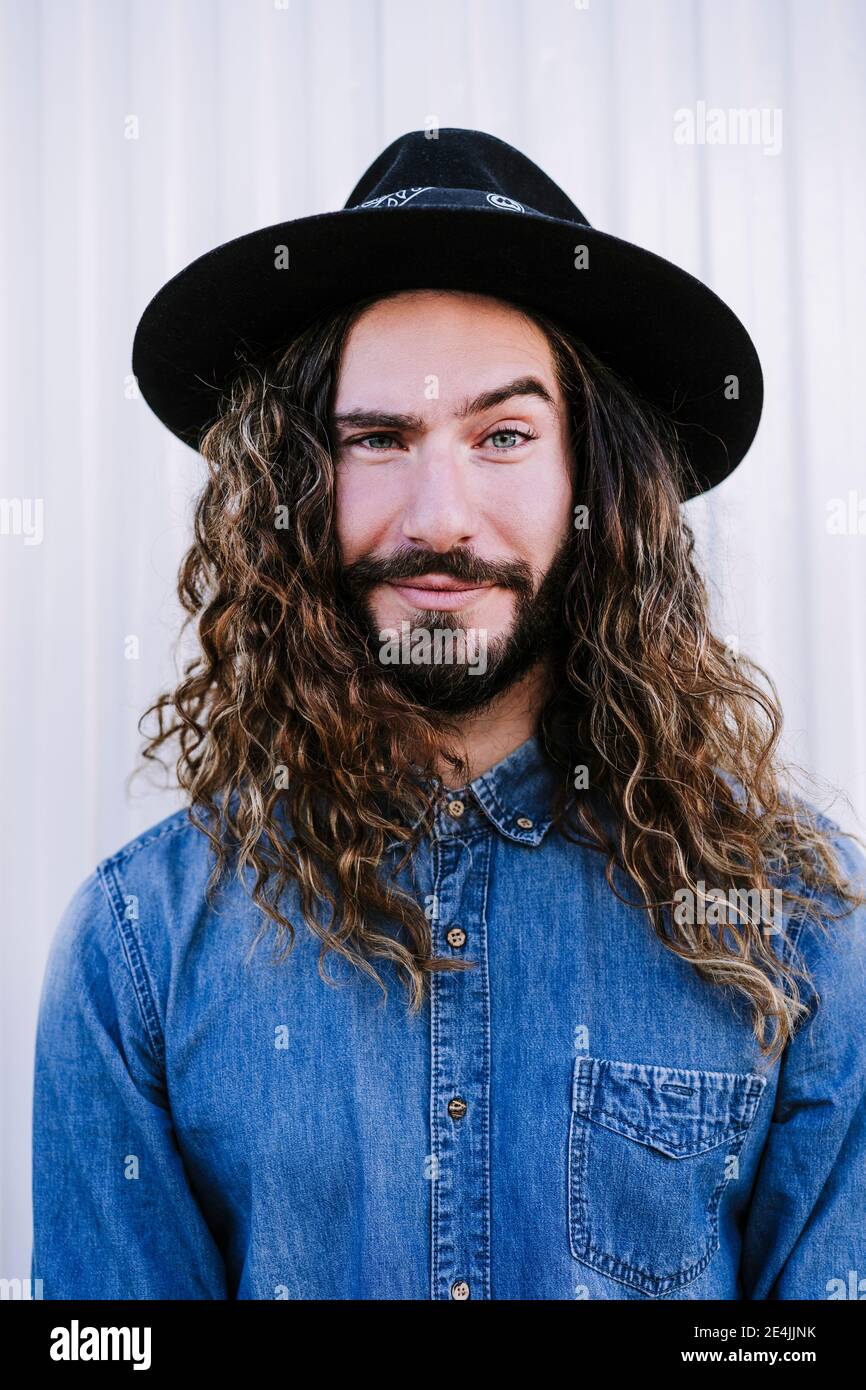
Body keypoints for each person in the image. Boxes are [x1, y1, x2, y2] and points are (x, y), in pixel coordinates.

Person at [32, 129, 866, 1300]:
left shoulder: (802, 928)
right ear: (296, 491)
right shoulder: (138, 951)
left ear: (597, 486)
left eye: (503, 436)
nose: (440, 516)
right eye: (376, 438)